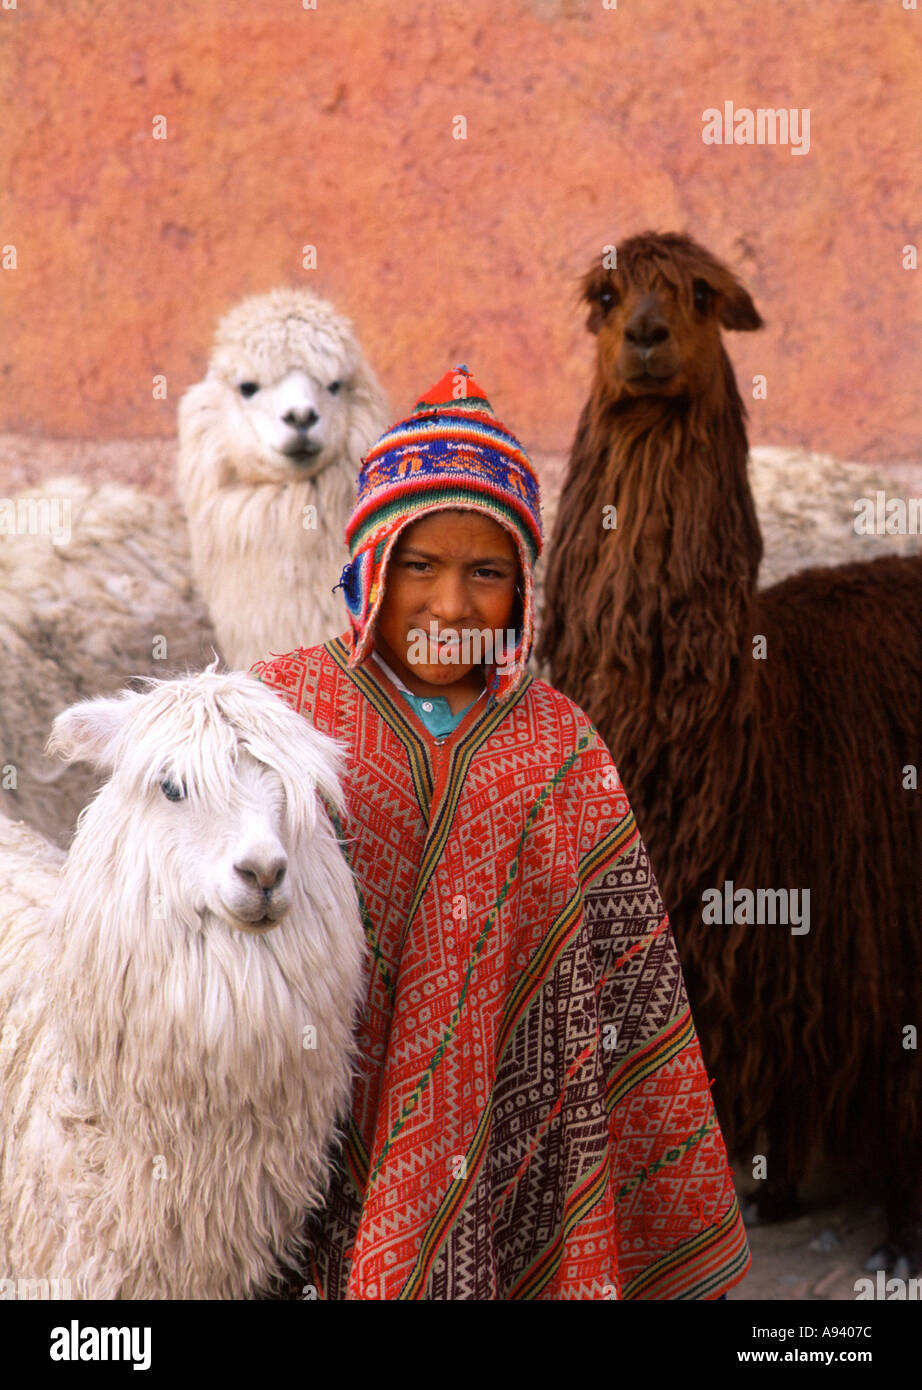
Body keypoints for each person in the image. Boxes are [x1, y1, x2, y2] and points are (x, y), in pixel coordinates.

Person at [251, 365, 750, 1300]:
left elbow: (621, 981)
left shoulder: (561, 747)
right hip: (312, 1134)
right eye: (418, 566)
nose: (450, 606)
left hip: (507, 1140)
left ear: (522, 586)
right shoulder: (285, 714)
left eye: (487, 572)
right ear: (368, 567)